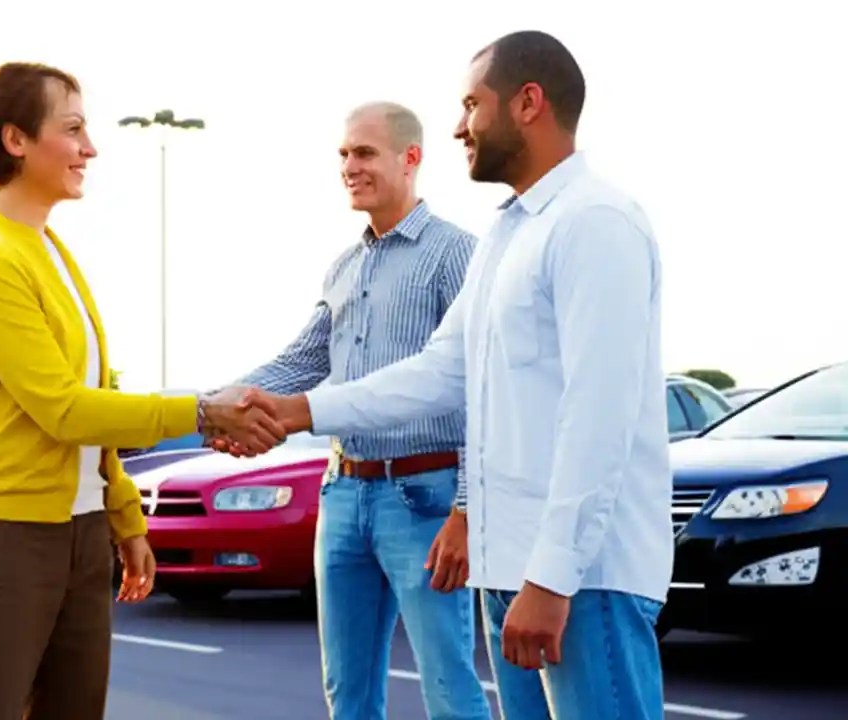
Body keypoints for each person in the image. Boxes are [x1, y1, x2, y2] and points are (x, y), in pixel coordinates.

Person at [218, 31, 673, 720]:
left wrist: (551, 580)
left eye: (471, 105)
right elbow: (438, 372)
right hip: (512, 574)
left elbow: (598, 420)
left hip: (584, 584)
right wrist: (298, 411)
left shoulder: (596, 222)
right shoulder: (507, 236)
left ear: (527, 103)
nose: (459, 125)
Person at [0, 61, 284, 720]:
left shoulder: (51, 253)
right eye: (72, 129)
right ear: (16, 140)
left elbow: (92, 405)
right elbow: (63, 409)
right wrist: (204, 413)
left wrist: (123, 517)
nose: (90, 147)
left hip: (78, 531)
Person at [210, 101, 491, 720]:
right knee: (348, 693)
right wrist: (218, 406)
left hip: (425, 500)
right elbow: (300, 362)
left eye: (363, 153)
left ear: (410, 158)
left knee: (449, 689)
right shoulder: (345, 265)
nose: (348, 166)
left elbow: (479, 389)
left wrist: (467, 511)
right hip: (342, 496)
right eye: (343, 154)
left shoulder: (458, 256)